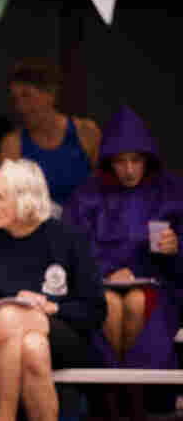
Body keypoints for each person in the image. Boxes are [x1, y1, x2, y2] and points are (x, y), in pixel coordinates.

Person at [0, 159, 106, 421]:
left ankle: (4, 416)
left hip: (64, 339)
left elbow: (95, 311)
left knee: (11, 316)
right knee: (31, 345)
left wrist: (52, 308)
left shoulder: (66, 239)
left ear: (24, 200)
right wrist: (6, 309)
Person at [64, 105, 182, 419]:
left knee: (134, 304)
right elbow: (73, 251)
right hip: (99, 285)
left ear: (148, 159)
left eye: (136, 160)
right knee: (110, 307)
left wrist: (176, 248)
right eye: (120, 161)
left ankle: (132, 404)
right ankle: (114, 406)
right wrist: (107, 272)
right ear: (108, 161)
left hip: (158, 285)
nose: (129, 169)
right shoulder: (87, 196)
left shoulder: (170, 193)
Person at [0, 58, 101, 212]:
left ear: (50, 95)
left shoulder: (86, 132)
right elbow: (7, 204)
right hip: (39, 231)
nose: (20, 107)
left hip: (85, 228)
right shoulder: (12, 145)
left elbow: (107, 189)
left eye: (26, 96)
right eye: (15, 100)